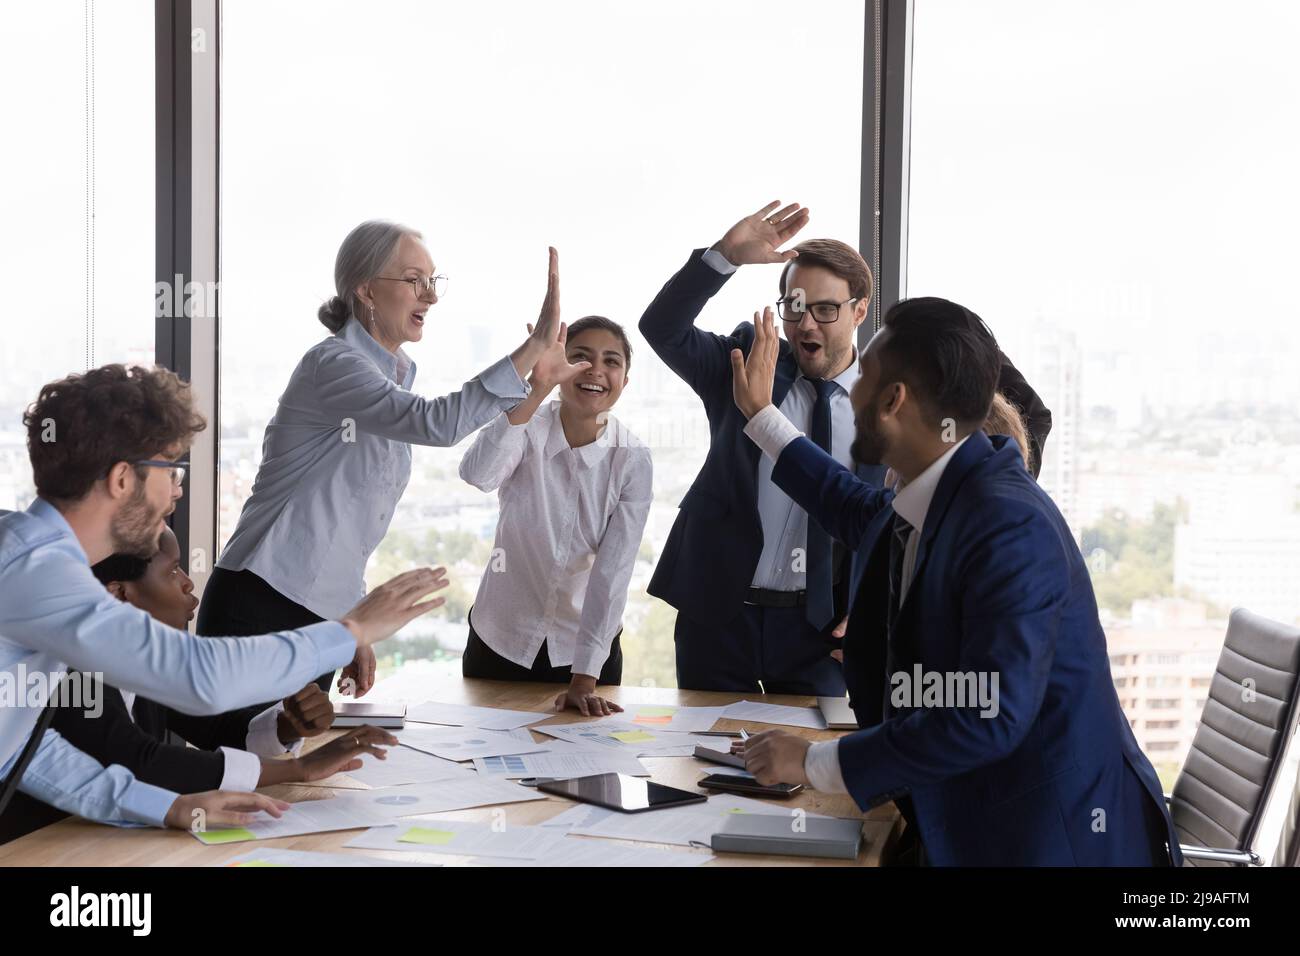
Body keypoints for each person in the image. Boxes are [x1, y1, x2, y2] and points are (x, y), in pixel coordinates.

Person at [729, 301, 1179, 866]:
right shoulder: (935, 495)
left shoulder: (1007, 523)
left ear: (893, 401)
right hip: (960, 813)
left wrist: (815, 763)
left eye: (863, 377)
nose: (851, 390)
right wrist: (762, 415)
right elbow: (844, 501)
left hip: (1040, 842)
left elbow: (985, 714)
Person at [0, 363, 442, 834]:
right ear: (123, 479)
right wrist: (350, 630)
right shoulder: (33, 570)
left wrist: (166, 808)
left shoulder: (32, 561)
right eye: (169, 469)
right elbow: (196, 673)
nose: (178, 489)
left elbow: (24, 750)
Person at [638, 201, 1051, 694]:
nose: (806, 324)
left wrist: (879, 596)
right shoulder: (750, 361)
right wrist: (725, 255)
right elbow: (661, 328)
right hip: (721, 617)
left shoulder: (894, 403)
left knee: (814, 764)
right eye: (794, 307)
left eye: (825, 309)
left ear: (859, 311)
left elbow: (889, 515)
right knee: (697, 761)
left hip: (825, 632)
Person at [198, 221, 587, 698]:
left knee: (288, 755)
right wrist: (533, 347)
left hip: (312, 611)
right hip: (262, 598)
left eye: (432, 280)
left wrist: (352, 621)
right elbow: (439, 424)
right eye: (413, 280)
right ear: (365, 289)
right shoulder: (334, 365)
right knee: (249, 760)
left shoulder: (388, 380)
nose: (430, 296)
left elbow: (348, 526)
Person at [0, 527, 396, 844]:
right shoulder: (75, 671)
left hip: (100, 835)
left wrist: (284, 726)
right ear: (119, 593)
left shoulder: (144, 655)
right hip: (37, 846)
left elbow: (212, 726)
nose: (189, 584)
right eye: (172, 571)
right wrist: (298, 768)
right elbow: (141, 761)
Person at [458, 316, 652, 716]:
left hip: (585, 655)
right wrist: (536, 387)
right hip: (500, 640)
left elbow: (613, 571)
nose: (596, 370)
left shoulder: (632, 458)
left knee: (585, 770)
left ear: (625, 381)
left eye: (611, 361)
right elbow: (477, 474)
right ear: (560, 365)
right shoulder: (527, 424)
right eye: (581, 356)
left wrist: (584, 677)